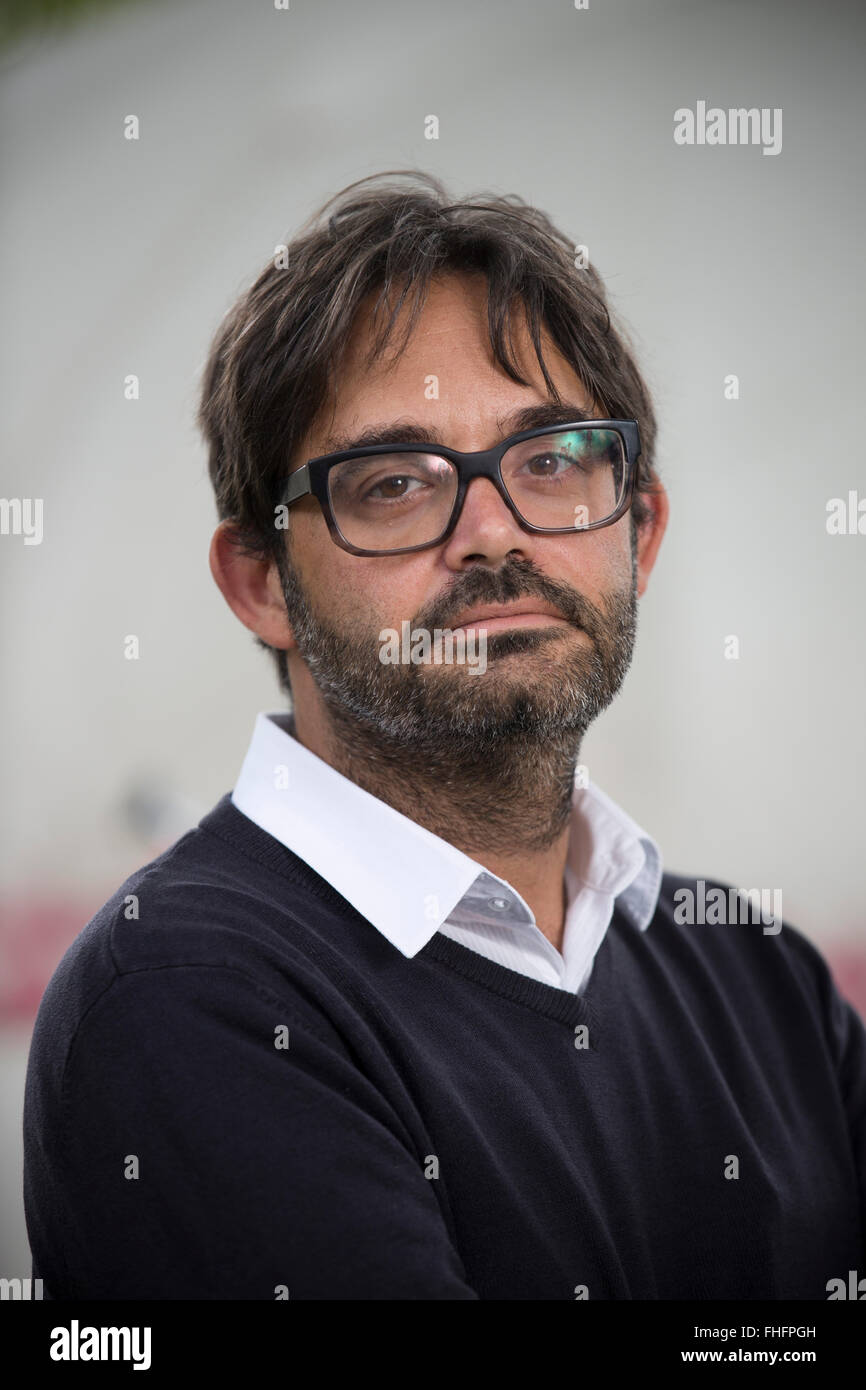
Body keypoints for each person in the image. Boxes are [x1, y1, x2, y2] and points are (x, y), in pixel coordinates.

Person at [23, 171, 865, 1300]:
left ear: (640, 533)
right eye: (394, 483)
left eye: (551, 460)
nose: (491, 533)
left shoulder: (763, 984)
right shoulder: (187, 1000)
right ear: (261, 583)